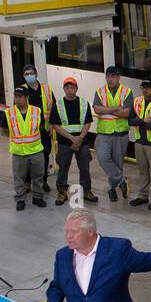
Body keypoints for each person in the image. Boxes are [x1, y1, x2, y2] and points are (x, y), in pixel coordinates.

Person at [49, 76, 97, 206]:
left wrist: (80, 138)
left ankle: (86, 190)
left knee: (84, 167)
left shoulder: (83, 103)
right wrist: (72, 138)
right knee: (63, 167)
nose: (70, 90)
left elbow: (87, 122)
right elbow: (55, 125)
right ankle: (62, 191)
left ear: (76, 89)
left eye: (72, 87)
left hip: (82, 142)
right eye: (67, 87)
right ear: (64, 89)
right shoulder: (58, 105)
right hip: (65, 142)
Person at [92, 66, 132, 202]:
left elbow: (127, 112)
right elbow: (97, 109)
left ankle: (112, 189)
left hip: (121, 133)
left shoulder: (127, 92)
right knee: (103, 158)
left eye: (113, 76)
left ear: (118, 77)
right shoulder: (100, 91)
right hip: (104, 133)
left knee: (118, 163)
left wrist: (106, 110)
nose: (110, 79)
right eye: (108, 76)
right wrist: (115, 108)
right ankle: (121, 180)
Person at [6, 86, 46, 211]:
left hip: (36, 150)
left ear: (27, 98)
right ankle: (20, 199)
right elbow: (4, 130)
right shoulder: (9, 113)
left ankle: (37, 197)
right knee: (19, 178)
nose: (17, 99)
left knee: (38, 176)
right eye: (15, 96)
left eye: (20, 96)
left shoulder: (37, 111)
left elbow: (41, 127)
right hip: (18, 152)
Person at [128, 78, 151, 209]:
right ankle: (143, 195)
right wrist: (144, 120)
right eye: (143, 87)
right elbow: (130, 121)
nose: (145, 90)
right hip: (139, 141)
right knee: (142, 170)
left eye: (148, 87)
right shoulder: (137, 101)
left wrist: (139, 121)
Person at [22, 63, 55, 194]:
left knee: (44, 157)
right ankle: (27, 182)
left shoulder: (46, 89)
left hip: (44, 131)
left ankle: (43, 181)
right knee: (29, 159)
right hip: (29, 132)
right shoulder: (22, 90)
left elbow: (53, 109)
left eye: (31, 73)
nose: (29, 76)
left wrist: (52, 124)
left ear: (36, 74)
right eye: (26, 74)